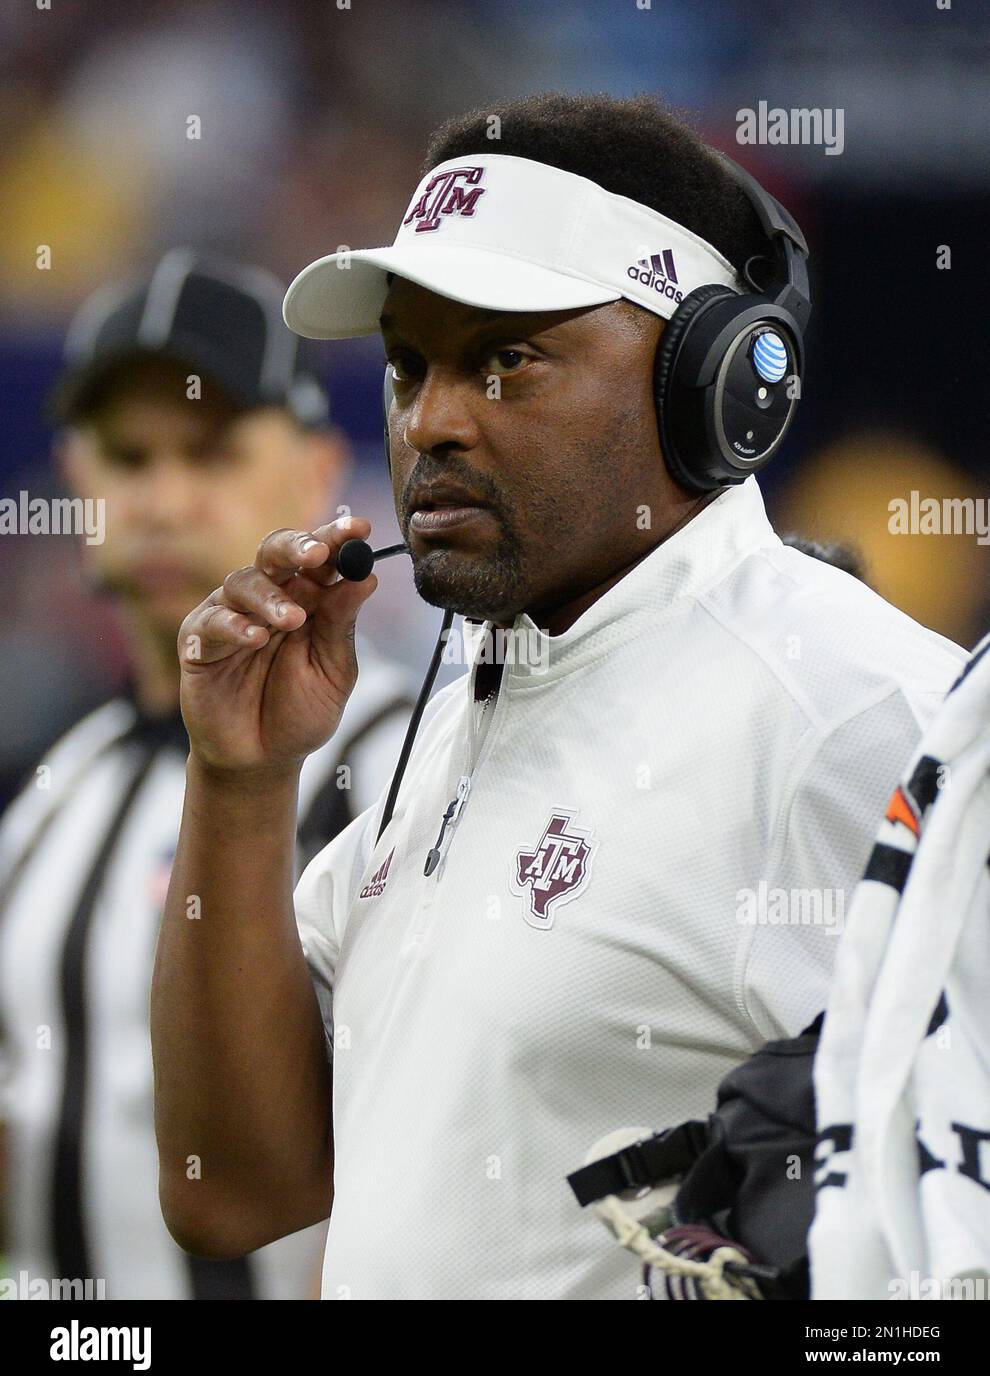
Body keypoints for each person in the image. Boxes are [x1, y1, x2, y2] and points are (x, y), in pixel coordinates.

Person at [151, 94, 967, 1300]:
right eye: (407, 365)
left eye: (506, 358)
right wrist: (240, 780)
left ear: (713, 379)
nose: (430, 419)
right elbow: (236, 1189)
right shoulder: (467, 692)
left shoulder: (852, 712)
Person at [0, 250, 413, 1299]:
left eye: (212, 451)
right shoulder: (56, 788)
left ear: (320, 470)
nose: (164, 498)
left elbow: (432, 1152)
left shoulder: (404, 758)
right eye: (129, 456)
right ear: (76, 475)